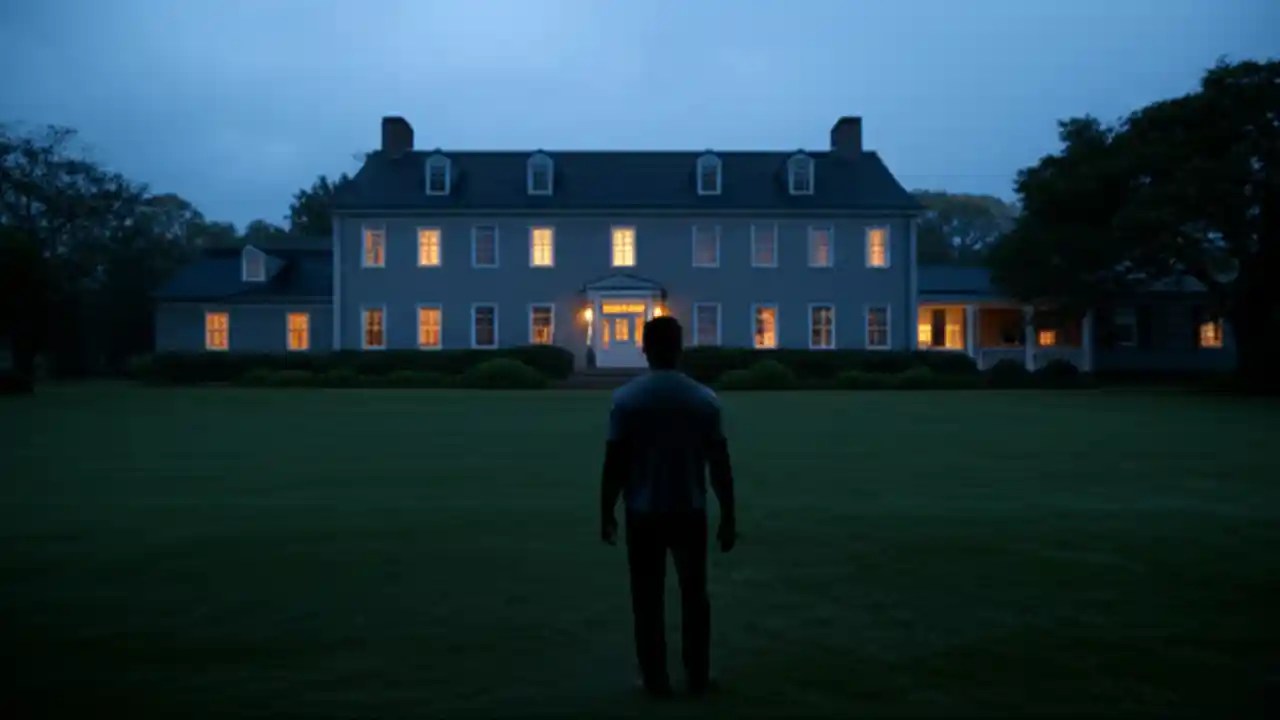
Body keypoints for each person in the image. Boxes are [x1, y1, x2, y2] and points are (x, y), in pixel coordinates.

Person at [599, 315, 737, 698]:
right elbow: (720, 465)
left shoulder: (626, 400)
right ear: (680, 350)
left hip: (642, 511)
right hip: (690, 509)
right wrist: (728, 516)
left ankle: (655, 678)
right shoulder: (703, 400)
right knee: (695, 596)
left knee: (646, 598)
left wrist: (605, 511)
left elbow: (615, 462)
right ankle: (697, 675)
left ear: (644, 349)